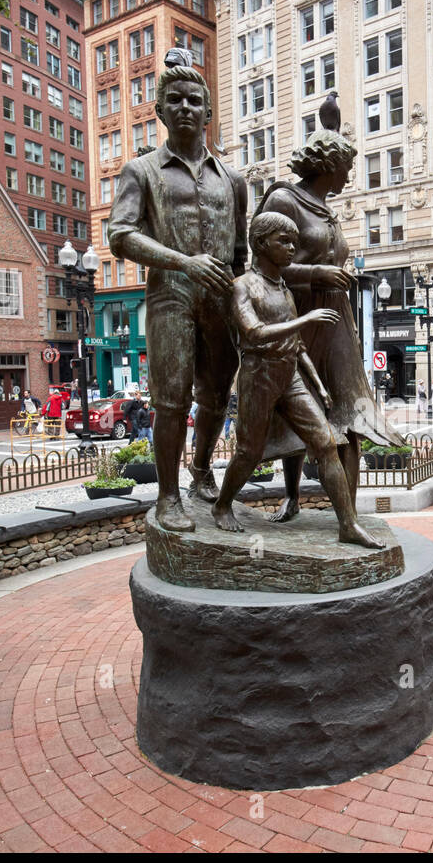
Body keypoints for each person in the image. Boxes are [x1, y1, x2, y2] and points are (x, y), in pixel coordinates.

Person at [107, 58, 248, 531]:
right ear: (160, 111)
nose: (185, 107)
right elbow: (120, 235)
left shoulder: (234, 180)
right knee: (171, 400)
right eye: (175, 101)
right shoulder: (141, 171)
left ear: (208, 111)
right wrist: (182, 261)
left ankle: (202, 471)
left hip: (223, 298)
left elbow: (241, 251)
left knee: (216, 396)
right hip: (171, 294)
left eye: (194, 101)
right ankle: (168, 497)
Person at [212, 212, 382, 549]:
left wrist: (318, 385)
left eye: (294, 241)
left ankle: (347, 524)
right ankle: (221, 505)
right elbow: (254, 332)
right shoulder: (242, 287)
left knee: (326, 444)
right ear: (261, 244)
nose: (292, 248)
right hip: (258, 377)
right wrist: (307, 318)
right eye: (284, 241)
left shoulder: (283, 288)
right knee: (248, 452)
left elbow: (298, 346)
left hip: (289, 376)